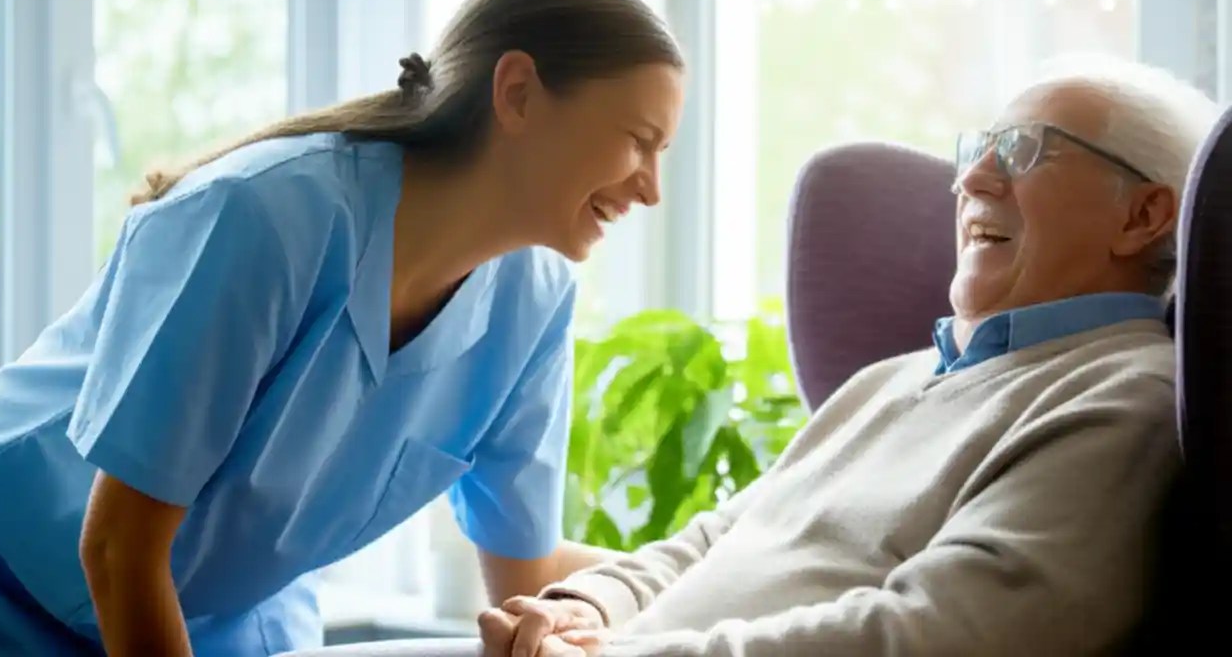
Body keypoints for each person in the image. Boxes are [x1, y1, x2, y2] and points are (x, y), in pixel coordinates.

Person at [292, 58, 1215, 657]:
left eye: (1025, 151)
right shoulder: (892, 380)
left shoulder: (1123, 400)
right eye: (978, 149)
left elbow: (940, 636)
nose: (972, 177)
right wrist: (595, 608)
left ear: (1145, 215)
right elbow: (712, 541)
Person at [0, 0, 684, 657]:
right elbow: (117, 547)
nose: (652, 190)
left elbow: (525, 577)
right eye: (639, 142)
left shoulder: (535, 305)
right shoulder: (265, 218)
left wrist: (725, 571)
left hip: (215, 617)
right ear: (518, 92)